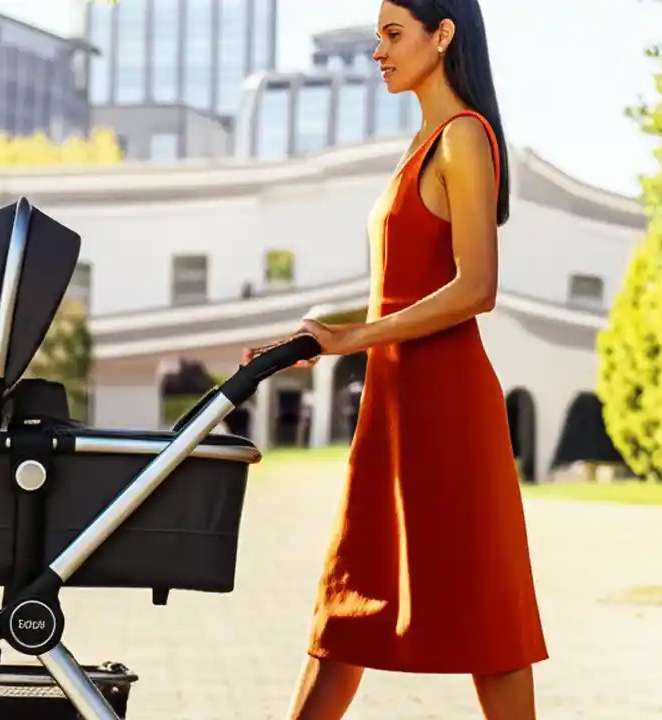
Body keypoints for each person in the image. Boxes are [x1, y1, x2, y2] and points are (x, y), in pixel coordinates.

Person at [245, 2, 548, 718]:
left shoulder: (464, 138)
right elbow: (400, 291)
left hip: (448, 407)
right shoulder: (420, 144)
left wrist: (351, 339)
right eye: (377, 37)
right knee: (349, 605)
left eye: (392, 34)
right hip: (394, 403)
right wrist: (322, 337)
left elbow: (476, 288)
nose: (377, 51)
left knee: (486, 615)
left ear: (442, 36)